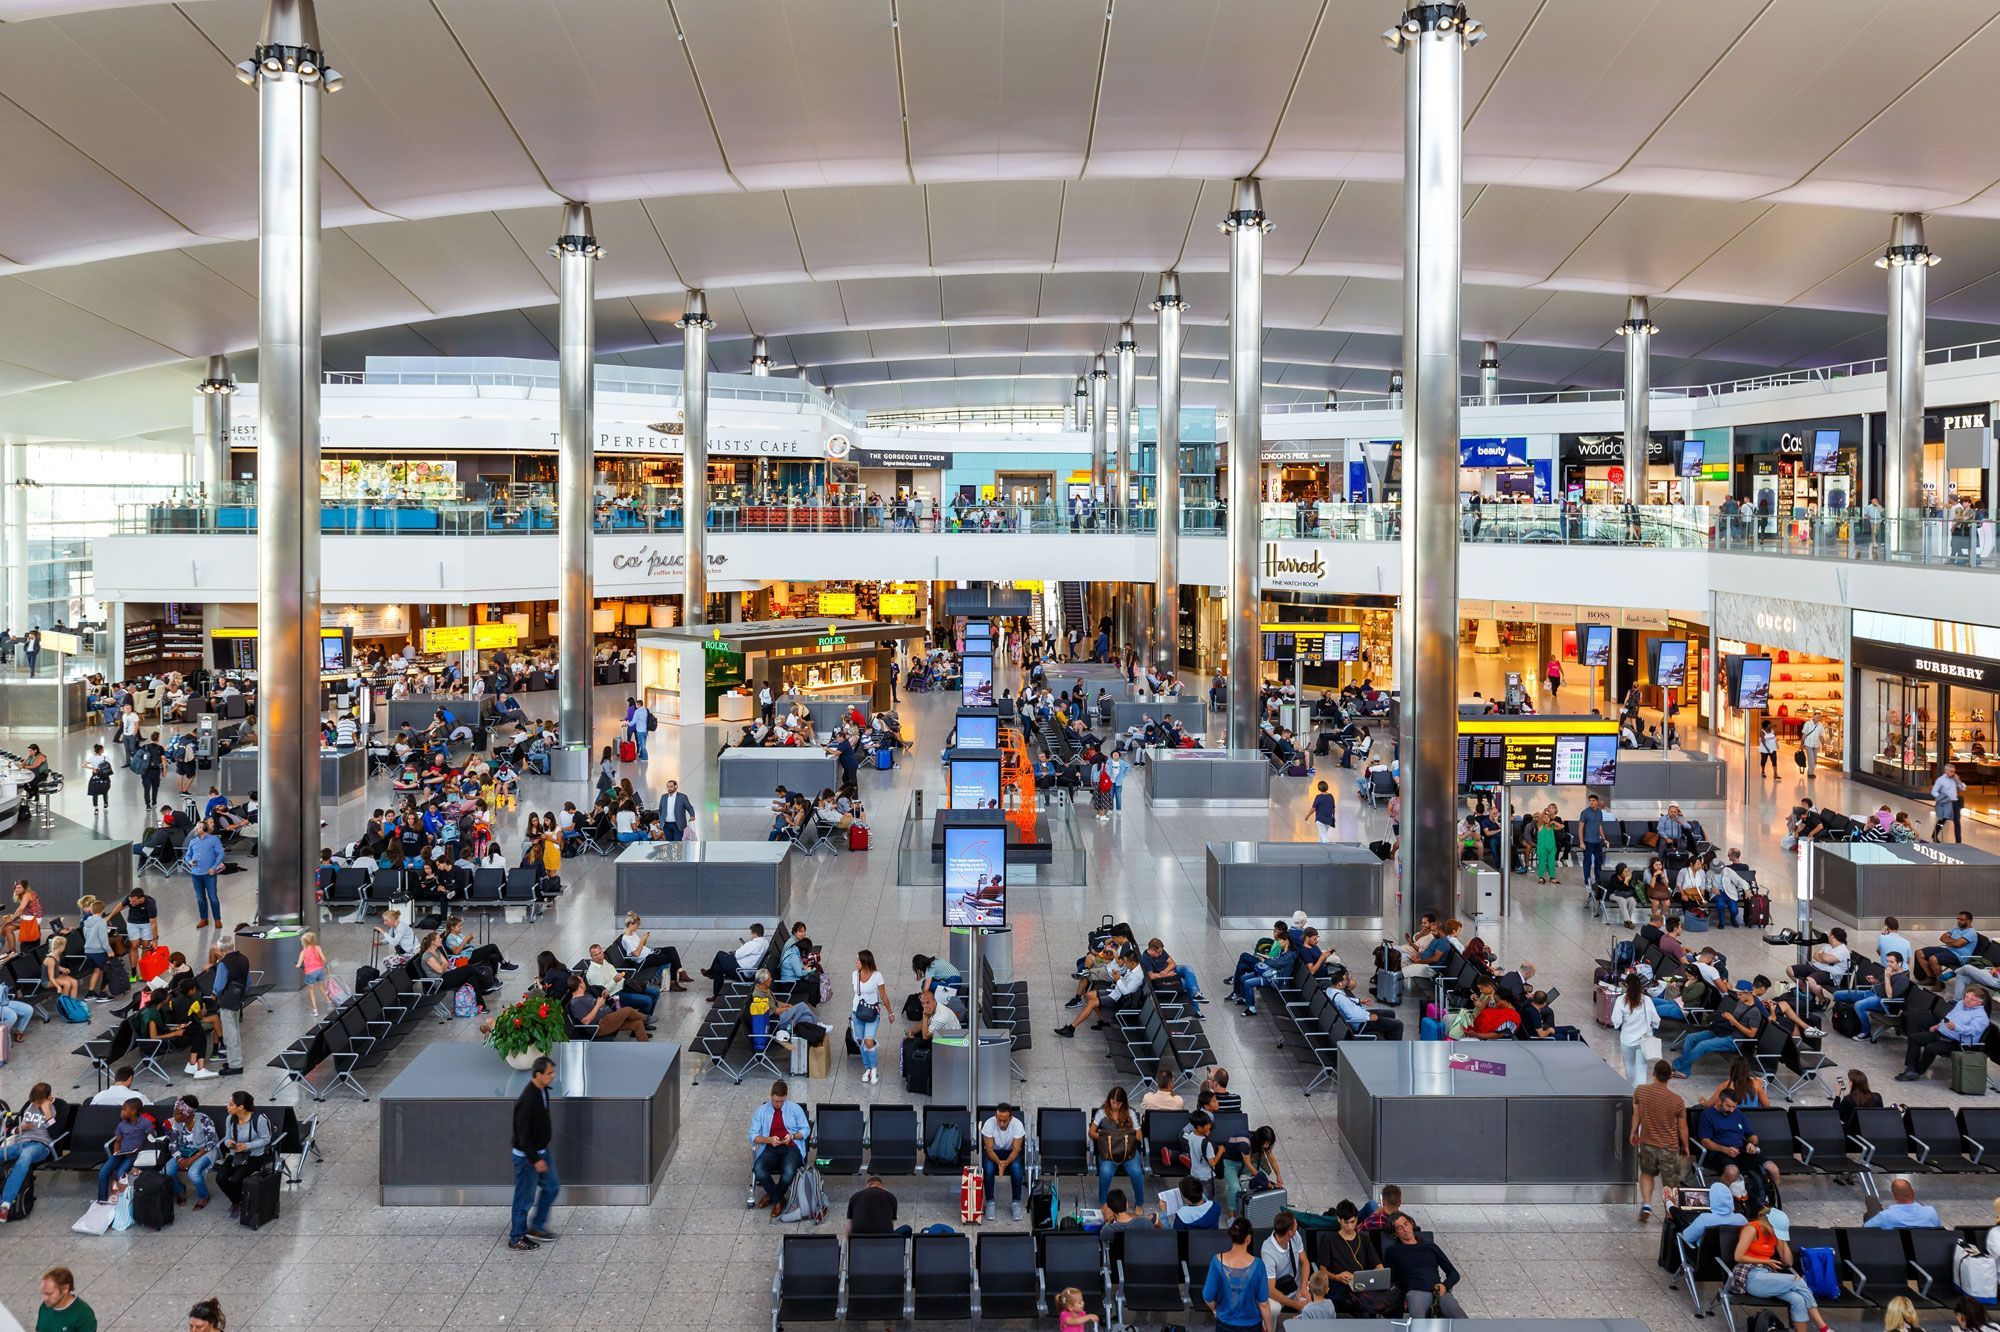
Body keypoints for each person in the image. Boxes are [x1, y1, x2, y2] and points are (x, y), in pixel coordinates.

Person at [1731, 1207, 1829, 1332]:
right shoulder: (1752, 1229)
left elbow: (1788, 1262)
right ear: (1768, 1223)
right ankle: (1823, 1327)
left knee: (1798, 1300)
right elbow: (1738, 1256)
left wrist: (1782, 1241)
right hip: (1751, 1276)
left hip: (1767, 1275)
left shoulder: (1773, 1234)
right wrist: (1766, 1261)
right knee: (1797, 1281)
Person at [1697, 1088, 1781, 1209]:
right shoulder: (1707, 1115)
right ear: (1719, 1101)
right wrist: (1724, 1149)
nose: (1731, 1110)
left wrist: (1751, 1143)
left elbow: (1752, 1136)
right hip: (1719, 1152)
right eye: (1728, 1106)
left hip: (1741, 1150)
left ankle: (1771, 1201)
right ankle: (1718, 1199)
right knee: (1732, 1172)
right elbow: (1705, 1141)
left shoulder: (1738, 1114)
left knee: (1773, 1169)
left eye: (1734, 1107)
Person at [508, 1056, 559, 1251]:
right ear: (538, 1075)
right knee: (524, 1198)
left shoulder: (542, 1090)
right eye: (549, 1074)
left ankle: (537, 1227)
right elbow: (522, 1137)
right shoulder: (527, 1100)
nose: (552, 1077)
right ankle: (516, 1237)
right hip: (528, 1158)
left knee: (552, 1186)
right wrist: (535, 1159)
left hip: (541, 1152)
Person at [1633, 1059, 1689, 1223]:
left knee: (1647, 1173)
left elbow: (1636, 1115)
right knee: (1670, 1181)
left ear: (1653, 1074)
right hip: (1669, 1147)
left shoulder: (1640, 1091)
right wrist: (1685, 1146)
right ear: (1670, 1076)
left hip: (1647, 1142)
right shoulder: (1677, 1100)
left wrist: (1633, 1132)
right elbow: (1682, 1127)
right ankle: (1668, 1213)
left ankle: (1647, 1204)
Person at [1382, 1211, 1465, 1318]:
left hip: (1438, 1292)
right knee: (1419, 1323)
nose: (1405, 1229)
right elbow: (1390, 1280)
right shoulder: (1393, 1251)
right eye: (1400, 1228)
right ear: (1395, 1234)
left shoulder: (1430, 1246)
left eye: (1406, 1224)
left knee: (1462, 1320)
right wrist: (1401, 1299)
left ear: (1411, 1224)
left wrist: (1445, 1285)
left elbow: (1454, 1274)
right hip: (1416, 1293)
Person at [749, 1079, 811, 1219]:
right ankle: (778, 1199)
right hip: (770, 1148)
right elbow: (752, 1135)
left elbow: (806, 1130)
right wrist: (768, 1139)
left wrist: (793, 1136)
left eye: (781, 1101)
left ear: (786, 1097)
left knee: (789, 1172)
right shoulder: (762, 1111)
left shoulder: (795, 1109)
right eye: (776, 1101)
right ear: (771, 1096)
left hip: (791, 1148)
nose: (778, 1104)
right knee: (759, 1169)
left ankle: (773, 1196)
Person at [1899, 990, 1992, 1082]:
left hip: (1957, 1042)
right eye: (1966, 997)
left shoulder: (1982, 1017)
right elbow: (1949, 1016)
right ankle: (1911, 1067)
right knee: (1914, 1038)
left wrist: (1956, 1027)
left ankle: (1917, 1071)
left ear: (1981, 1003)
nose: (1967, 1000)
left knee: (1931, 1048)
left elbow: (1972, 1030)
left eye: (1972, 999)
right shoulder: (1961, 1004)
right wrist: (1939, 1025)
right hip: (1942, 1033)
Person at [0, 1082, 58, 1221]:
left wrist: (48, 1113)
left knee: (25, 1157)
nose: (35, 1104)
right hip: (22, 1141)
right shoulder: (29, 1107)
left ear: (47, 1098)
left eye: (39, 1102)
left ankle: (6, 1203)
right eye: (34, 1101)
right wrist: (21, 1128)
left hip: (41, 1146)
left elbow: (56, 1133)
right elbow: (12, 1129)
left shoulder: (54, 1109)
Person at [214, 1091, 273, 1220]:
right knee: (220, 1178)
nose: (227, 1107)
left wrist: (246, 1146)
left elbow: (266, 1139)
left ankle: (239, 1202)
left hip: (254, 1156)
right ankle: (237, 1201)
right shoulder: (230, 1119)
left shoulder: (259, 1119)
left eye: (231, 1105)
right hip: (236, 1155)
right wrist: (229, 1143)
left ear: (241, 1107)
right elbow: (227, 1138)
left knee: (236, 1180)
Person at [1090, 1086, 1145, 1205]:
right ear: (1109, 1100)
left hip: (1128, 1151)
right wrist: (1104, 1137)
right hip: (1108, 1152)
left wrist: (1129, 1133)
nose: (1115, 1106)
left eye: (1118, 1103)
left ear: (1123, 1102)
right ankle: (1103, 1203)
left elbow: (1139, 1136)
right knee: (1105, 1172)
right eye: (1113, 1102)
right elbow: (1091, 1132)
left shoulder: (1130, 1112)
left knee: (1136, 1171)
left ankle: (1139, 1203)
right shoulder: (1102, 1112)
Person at [164, 1096, 220, 1210]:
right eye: (175, 1111)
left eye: (178, 1112)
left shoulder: (204, 1119)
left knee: (193, 1173)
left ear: (188, 1113)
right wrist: (179, 1159)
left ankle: (204, 1195)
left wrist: (192, 1160)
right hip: (185, 1151)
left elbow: (211, 1143)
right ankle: (180, 1190)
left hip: (205, 1151)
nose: (175, 1115)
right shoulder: (177, 1123)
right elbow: (173, 1144)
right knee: (167, 1171)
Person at [1261, 1210, 1319, 1318]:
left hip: (1297, 1287)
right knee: (1273, 1309)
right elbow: (1270, 1290)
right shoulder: (1268, 1251)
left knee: (1312, 1309)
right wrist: (1296, 1305)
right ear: (1289, 1232)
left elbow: (1305, 1262)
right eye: (1296, 1225)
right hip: (1279, 1293)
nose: (1298, 1227)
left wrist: (1303, 1287)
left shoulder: (1295, 1236)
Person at [979, 1103, 1028, 1221]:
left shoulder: (1018, 1125)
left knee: (1017, 1170)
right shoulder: (989, 1124)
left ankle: (1016, 1202)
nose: (1001, 1123)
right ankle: (990, 1202)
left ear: (1010, 1118)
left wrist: (1004, 1164)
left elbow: (1016, 1150)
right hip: (993, 1152)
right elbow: (989, 1149)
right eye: (999, 1120)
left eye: (1004, 1121)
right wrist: (999, 1162)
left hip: (1011, 1152)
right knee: (989, 1169)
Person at [96, 1097, 150, 1203]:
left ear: (133, 1111)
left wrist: (140, 1156)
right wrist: (116, 1152)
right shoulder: (122, 1124)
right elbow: (117, 1141)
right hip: (121, 1153)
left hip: (134, 1155)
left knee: (120, 1173)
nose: (121, 1112)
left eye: (124, 1109)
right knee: (103, 1172)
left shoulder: (145, 1123)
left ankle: (120, 1200)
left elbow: (151, 1141)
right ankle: (102, 1200)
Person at [567, 972, 650, 1040]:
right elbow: (586, 1021)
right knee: (627, 1010)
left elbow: (596, 1004)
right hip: (601, 1025)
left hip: (609, 1018)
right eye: (582, 981)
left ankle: (647, 1049)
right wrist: (598, 1006)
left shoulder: (585, 994)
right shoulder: (576, 1003)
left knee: (637, 1024)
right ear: (580, 985)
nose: (584, 983)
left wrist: (603, 997)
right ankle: (646, 1018)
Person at [851, 949, 892, 1084]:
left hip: (872, 1013)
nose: (856, 962)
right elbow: (857, 995)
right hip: (857, 1012)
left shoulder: (877, 976)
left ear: (865, 961)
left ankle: (873, 1068)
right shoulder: (854, 975)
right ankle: (867, 1068)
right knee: (861, 1041)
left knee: (868, 1041)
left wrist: (890, 1012)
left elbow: (883, 996)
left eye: (858, 960)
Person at [1615, 971, 1660, 1087]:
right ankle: (1639, 1093)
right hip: (1643, 1040)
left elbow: (1616, 1021)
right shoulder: (1647, 1000)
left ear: (1626, 985)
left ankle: (1631, 1090)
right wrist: (1654, 1028)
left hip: (1627, 1039)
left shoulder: (1621, 1000)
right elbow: (1656, 1019)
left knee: (1629, 1066)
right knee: (1641, 1068)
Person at [1919, 912, 1980, 987]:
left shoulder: (1971, 932)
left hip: (1959, 956)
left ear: (1969, 921)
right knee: (1919, 952)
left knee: (1933, 959)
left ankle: (1939, 981)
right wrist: (1954, 942)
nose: (1959, 921)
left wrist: (1951, 941)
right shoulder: (1956, 929)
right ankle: (1931, 977)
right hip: (1948, 950)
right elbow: (1942, 937)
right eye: (1958, 919)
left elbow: (1958, 944)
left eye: (1962, 919)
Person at [182, 820, 225, 928]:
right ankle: (204, 919)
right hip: (196, 874)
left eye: (199, 827)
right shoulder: (193, 841)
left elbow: (220, 853)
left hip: (209, 874)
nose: (196, 829)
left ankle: (217, 919)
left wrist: (214, 867)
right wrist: (189, 861)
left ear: (205, 829)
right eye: (196, 827)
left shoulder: (214, 840)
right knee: (200, 898)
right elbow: (187, 855)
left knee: (213, 897)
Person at [1864, 1175, 1942, 1229]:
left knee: (1870, 1202)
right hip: (1921, 1248)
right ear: (1913, 1193)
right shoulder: (1930, 1212)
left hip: (1894, 1247)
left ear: (1894, 1196)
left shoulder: (1887, 1216)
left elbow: (1865, 1228)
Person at [35, 1268, 93, 1332]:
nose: (44, 1298)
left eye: (49, 1294)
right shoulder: (45, 1306)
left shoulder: (84, 1314)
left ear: (65, 1289)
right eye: (43, 1293)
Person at [1934, 762, 1968, 842]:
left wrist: (1958, 781)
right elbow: (1934, 791)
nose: (1953, 773)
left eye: (1954, 771)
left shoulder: (1955, 779)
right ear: (1946, 770)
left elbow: (1963, 788)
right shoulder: (1941, 780)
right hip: (1945, 802)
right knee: (1943, 820)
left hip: (1955, 802)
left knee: (1957, 822)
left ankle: (1958, 842)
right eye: (1951, 771)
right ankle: (1934, 835)